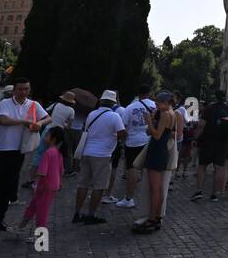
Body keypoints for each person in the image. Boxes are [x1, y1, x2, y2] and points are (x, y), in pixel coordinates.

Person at [0, 77, 49, 234]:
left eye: (26, 89)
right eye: (20, 89)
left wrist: (40, 123)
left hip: (19, 151)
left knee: (8, 188)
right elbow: (3, 120)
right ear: (14, 90)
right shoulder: (5, 103)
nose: (23, 92)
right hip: (1, 150)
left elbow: (48, 117)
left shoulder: (33, 104)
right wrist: (24, 121)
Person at [72, 91, 125, 224]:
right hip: (103, 155)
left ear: (101, 101)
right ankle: (91, 215)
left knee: (83, 184)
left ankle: (77, 213)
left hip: (87, 152)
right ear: (114, 103)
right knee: (99, 186)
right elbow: (122, 134)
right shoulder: (115, 116)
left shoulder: (92, 114)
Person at [132, 93, 175, 233]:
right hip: (161, 151)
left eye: (157, 104)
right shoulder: (172, 113)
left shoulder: (165, 114)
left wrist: (148, 121)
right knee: (158, 188)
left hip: (157, 151)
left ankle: (152, 219)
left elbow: (156, 135)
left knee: (154, 189)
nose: (156, 106)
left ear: (165, 102)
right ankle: (156, 217)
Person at [18, 126, 65, 236]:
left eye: (47, 135)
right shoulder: (58, 153)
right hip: (51, 186)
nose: (45, 137)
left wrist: (36, 184)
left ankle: (41, 239)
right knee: (34, 207)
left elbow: (42, 172)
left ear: (53, 139)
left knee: (41, 212)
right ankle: (20, 227)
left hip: (44, 186)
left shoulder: (48, 153)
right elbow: (61, 170)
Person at [114, 85, 154, 210]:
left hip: (133, 141)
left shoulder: (130, 107)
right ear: (150, 93)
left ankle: (129, 198)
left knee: (133, 169)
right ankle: (149, 198)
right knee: (148, 170)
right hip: (150, 140)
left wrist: (122, 141)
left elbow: (123, 127)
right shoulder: (155, 105)